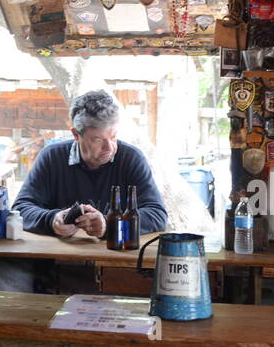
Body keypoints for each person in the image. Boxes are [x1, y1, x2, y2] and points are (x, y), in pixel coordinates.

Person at [12, 90, 168, 237]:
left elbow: (157, 215)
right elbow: (20, 209)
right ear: (76, 134)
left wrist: (110, 225)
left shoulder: (131, 159)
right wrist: (51, 220)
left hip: (113, 258)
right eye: (97, 140)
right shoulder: (52, 157)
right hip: (59, 257)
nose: (110, 148)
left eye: (113, 137)